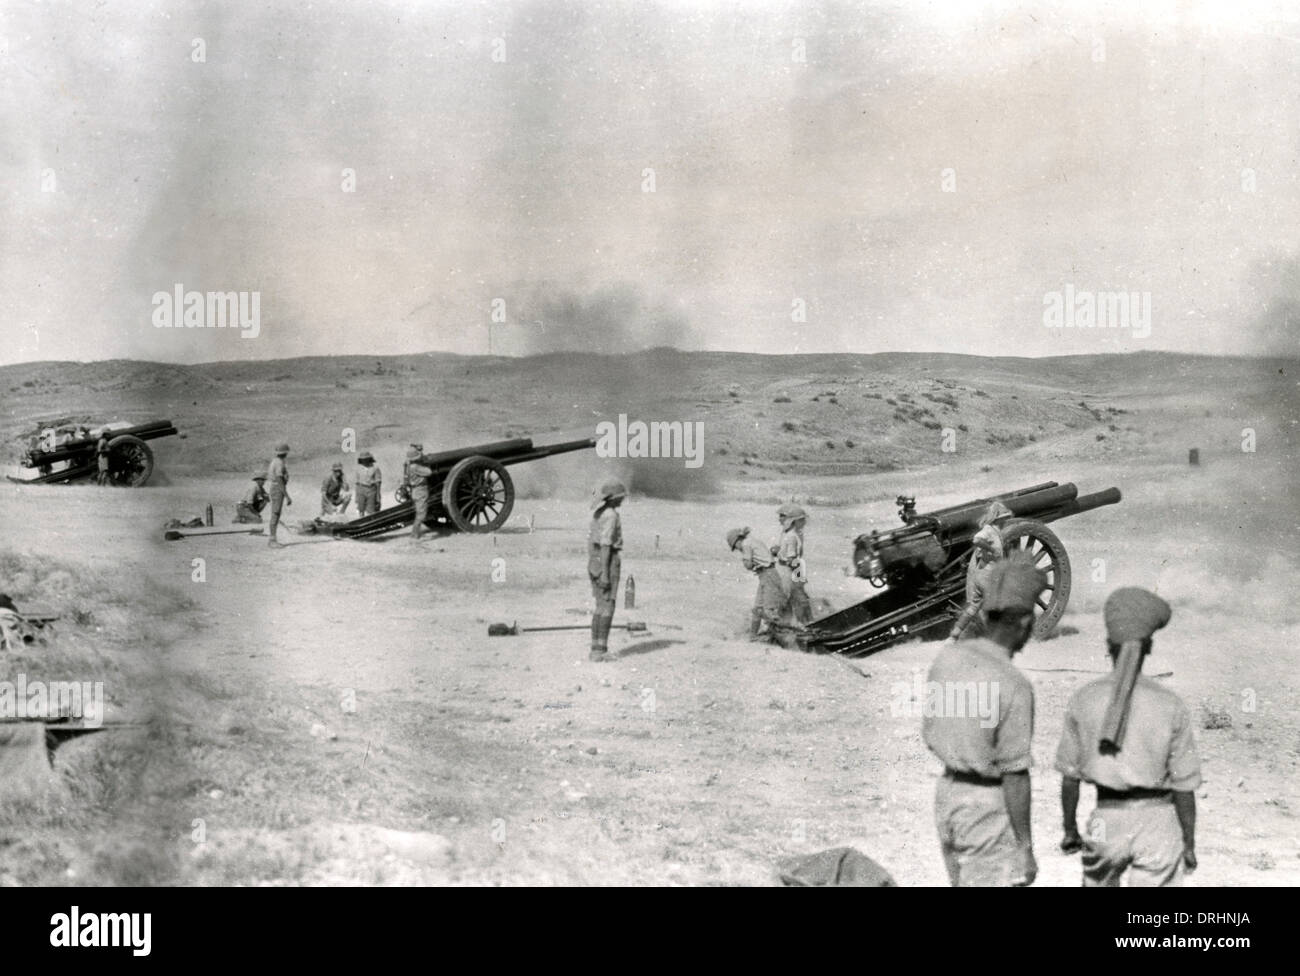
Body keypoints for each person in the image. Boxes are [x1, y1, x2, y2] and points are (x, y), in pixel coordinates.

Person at [1055, 587, 1201, 886]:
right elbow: (1184, 786)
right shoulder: (1170, 704)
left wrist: (1070, 829)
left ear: (1109, 645)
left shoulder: (1085, 699)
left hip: (1106, 817)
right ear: (1148, 647)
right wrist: (1188, 842)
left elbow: (1070, 778)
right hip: (1159, 820)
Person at [923, 552, 1047, 887]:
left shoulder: (946, 660)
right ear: (1024, 623)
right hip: (986, 809)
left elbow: (930, 731)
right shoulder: (1013, 684)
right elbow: (1015, 774)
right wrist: (1025, 847)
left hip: (947, 797)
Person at [727, 526, 795, 646]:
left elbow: (748, 565)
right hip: (766, 575)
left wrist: (748, 561)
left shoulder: (746, 545)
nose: (737, 549)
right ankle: (755, 636)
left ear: (737, 541)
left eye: (735, 547)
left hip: (768, 576)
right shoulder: (753, 541)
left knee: (768, 609)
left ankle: (784, 635)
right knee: (758, 608)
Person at [588, 479, 626, 662]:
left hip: (594, 562)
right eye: (621, 496)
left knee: (599, 607)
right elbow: (605, 545)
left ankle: (596, 647)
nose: (623, 500)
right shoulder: (611, 515)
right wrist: (605, 573)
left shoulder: (599, 512)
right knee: (608, 607)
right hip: (607, 562)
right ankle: (600, 651)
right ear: (614, 498)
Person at [947, 524, 1005, 642]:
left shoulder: (992, 530)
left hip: (981, 574)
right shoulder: (989, 530)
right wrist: (993, 550)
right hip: (988, 575)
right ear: (998, 518)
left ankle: (954, 635)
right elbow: (977, 539)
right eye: (1004, 517)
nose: (1006, 519)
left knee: (973, 608)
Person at [775, 503, 811, 625]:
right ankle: (805, 622)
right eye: (802, 520)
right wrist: (800, 577)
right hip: (789, 570)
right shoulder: (792, 535)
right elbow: (792, 559)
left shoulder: (790, 534)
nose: (804, 522)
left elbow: (790, 556)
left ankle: (787, 623)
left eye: (782, 516)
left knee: (792, 598)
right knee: (796, 598)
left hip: (786, 568)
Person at [266, 443, 292, 549]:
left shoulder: (276, 461)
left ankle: (273, 539)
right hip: (278, 489)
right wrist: (287, 496)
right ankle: (272, 540)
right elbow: (279, 480)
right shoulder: (279, 463)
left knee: (275, 514)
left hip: (276, 488)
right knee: (275, 514)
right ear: (285, 453)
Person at [406, 447, 433, 540]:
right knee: (421, 514)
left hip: (416, 491)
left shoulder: (410, 466)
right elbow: (429, 472)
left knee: (419, 512)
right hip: (421, 491)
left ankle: (415, 534)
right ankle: (415, 535)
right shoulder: (415, 467)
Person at [354, 451, 382, 516]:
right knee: (361, 509)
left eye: (366, 459)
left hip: (371, 490)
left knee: (371, 510)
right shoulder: (358, 469)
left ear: (369, 459)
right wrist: (356, 496)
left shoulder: (375, 468)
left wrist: (378, 495)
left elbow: (378, 482)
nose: (365, 461)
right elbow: (357, 483)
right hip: (361, 490)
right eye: (363, 459)